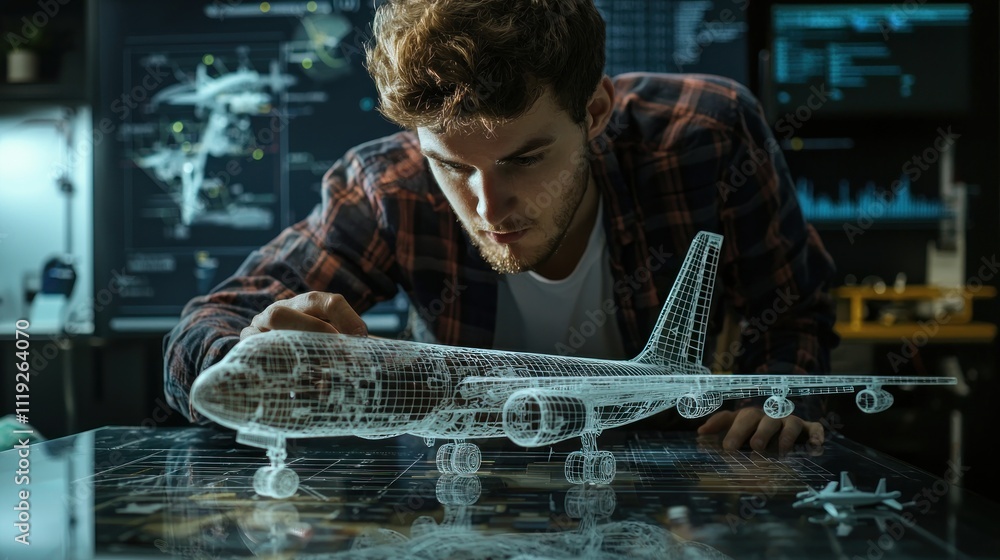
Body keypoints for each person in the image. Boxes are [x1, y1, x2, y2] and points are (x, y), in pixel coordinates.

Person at [164, 0, 839, 455]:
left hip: (668, 477)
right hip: (471, 493)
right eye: (452, 166)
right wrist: (251, 352)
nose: (490, 208)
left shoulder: (705, 137)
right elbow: (203, 324)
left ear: (595, 110)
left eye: (526, 158)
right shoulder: (388, 185)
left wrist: (772, 400)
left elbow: (796, 312)